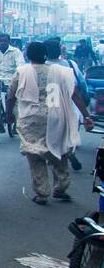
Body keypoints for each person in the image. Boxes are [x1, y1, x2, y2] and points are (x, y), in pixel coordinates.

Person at [8, 41, 93, 204]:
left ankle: (42, 193)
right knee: (59, 151)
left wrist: (9, 114)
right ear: (45, 54)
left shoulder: (22, 71)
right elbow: (74, 94)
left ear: (27, 55)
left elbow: (11, 95)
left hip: (30, 118)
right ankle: (61, 187)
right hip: (56, 115)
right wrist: (86, 115)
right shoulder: (60, 71)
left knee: (35, 154)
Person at [44, 36, 89, 173]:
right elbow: (81, 85)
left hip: (48, 105)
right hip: (70, 105)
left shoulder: (40, 68)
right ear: (60, 51)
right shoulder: (70, 64)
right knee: (67, 134)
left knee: (49, 134)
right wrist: (86, 112)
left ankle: (56, 154)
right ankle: (68, 152)